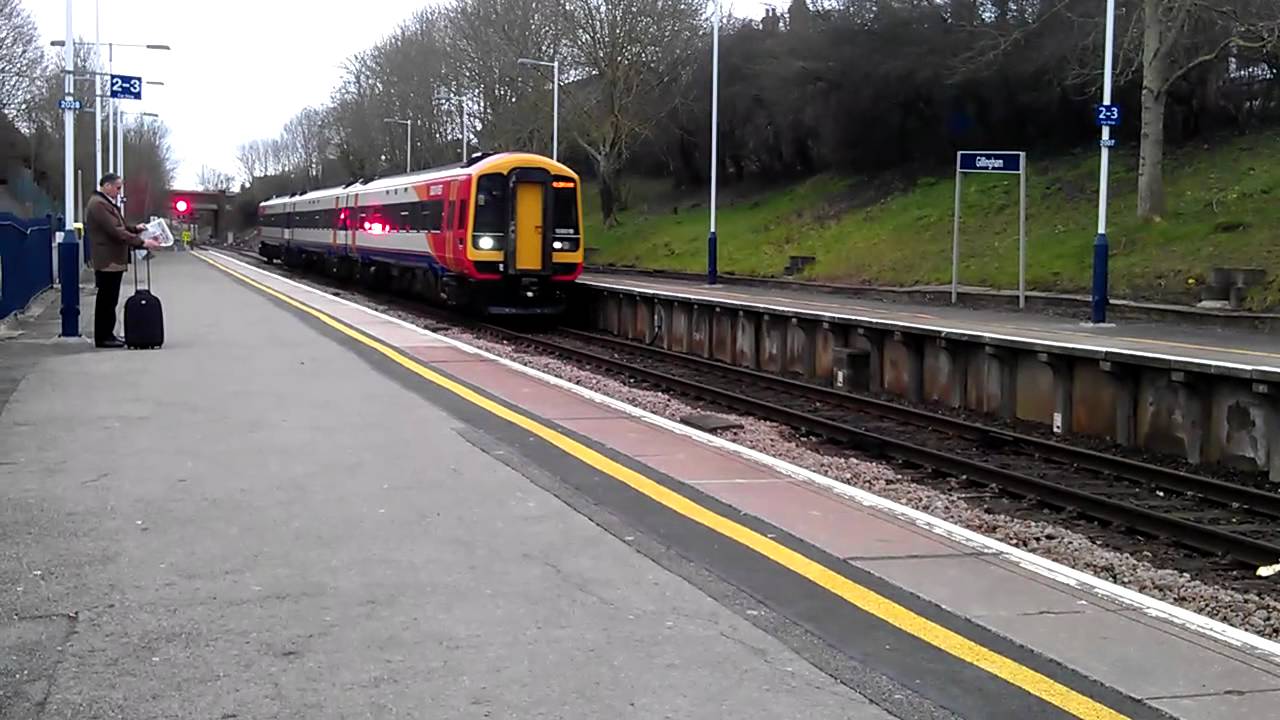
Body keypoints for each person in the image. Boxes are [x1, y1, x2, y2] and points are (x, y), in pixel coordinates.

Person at [85, 173, 161, 348]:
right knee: (107, 299)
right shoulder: (99, 205)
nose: (119, 192)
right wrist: (142, 241)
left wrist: (136, 229)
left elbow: (120, 227)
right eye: (117, 188)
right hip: (108, 259)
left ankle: (107, 334)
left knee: (110, 298)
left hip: (112, 259)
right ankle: (104, 337)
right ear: (107, 186)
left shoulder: (103, 203)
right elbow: (115, 231)